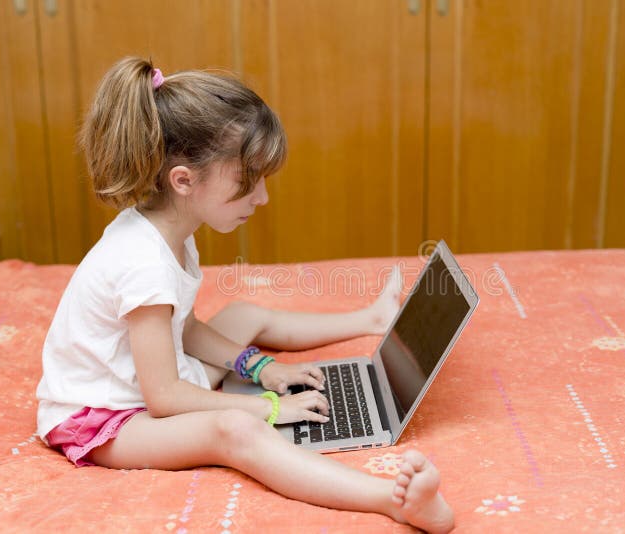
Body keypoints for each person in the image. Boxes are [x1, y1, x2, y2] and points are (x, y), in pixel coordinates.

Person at [35, 57, 454, 533]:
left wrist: (261, 368)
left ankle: (371, 320)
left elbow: (185, 328)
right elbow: (165, 399)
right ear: (183, 180)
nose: (262, 199)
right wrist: (270, 408)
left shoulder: (170, 230)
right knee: (234, 431)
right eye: (248, 182)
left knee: (241, 314)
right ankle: (393, 502)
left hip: (146, 380)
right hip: (104, 420)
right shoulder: (142, 263)